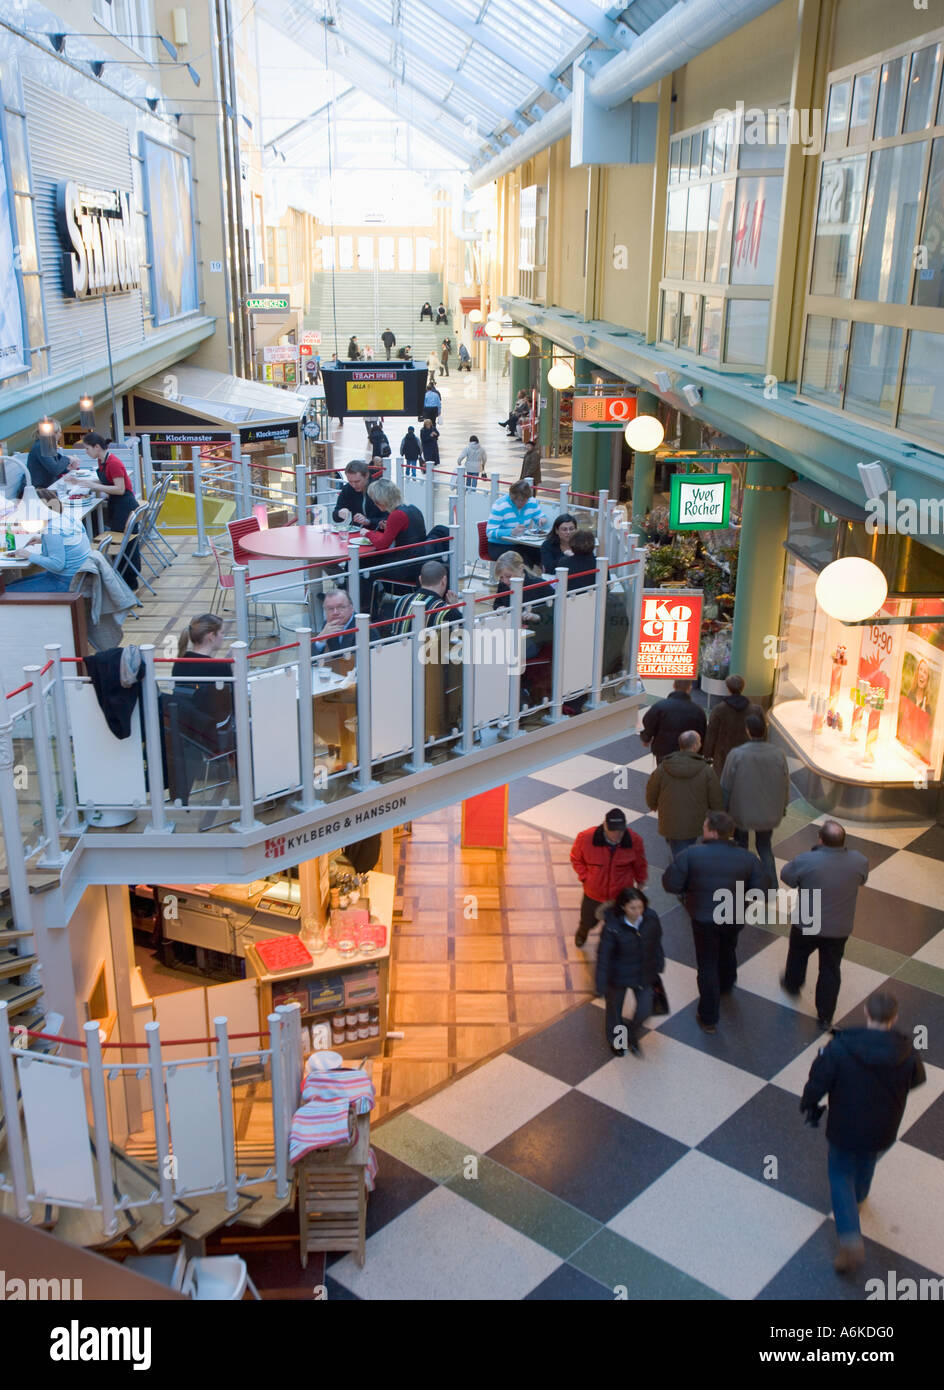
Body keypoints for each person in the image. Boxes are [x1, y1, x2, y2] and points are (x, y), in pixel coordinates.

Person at [800, 992, 925, 1274]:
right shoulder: (907, 1052)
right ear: (894, 1018)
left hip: (845, 1125)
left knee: (840, 1172)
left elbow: (818, 1081)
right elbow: (917, 1080)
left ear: (867, 1014)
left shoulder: (840, 1047)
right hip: (883, 1126)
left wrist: (808, 1103)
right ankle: (860, 1198)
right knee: (868, 1160)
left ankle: (850, 1239)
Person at [662, 810, 766, 1033]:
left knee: (707, 963)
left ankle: (709, 1017)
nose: (702, 829)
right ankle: (727, 984)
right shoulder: (748, 858)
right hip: (733, 915)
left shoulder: (691, 854)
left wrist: (688, 891)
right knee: (728, 949)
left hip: (703, 917)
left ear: (713, 831)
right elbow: (759, 892)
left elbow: (671, 884)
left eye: (705, 826)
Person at [780, 821, 870, 1028]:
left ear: (820, 839)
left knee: (797, 954)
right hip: (839, 927)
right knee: (830, 969)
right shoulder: (859, 861)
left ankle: (793, 985)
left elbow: (787, 876)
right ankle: (825, 1015)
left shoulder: (807, 860)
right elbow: (862, 880)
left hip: (807, 923)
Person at [720, 712, 791, 888]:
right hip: (769, 812)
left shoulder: (736, 754)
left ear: (747, 731)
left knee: (741, 846)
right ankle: (772, 886)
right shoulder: (778, 754)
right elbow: (785, 784)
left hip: (741, 812)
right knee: (764, 847)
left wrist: (724, 810)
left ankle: (741, 884)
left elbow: (725, 786)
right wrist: (782, 808)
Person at [596, 887, 665, 1056]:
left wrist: (659, 961)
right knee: (614, 1010)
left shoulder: (651, 918)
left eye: (640, 907)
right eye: (633, 908)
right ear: (623, 907)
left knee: (645, 1009)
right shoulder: (612, 927)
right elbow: (604, 956)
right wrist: (601, 983)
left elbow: (656, 941)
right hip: (617, 975)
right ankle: (617, 1040)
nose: (638, 912)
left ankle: (630, 1032)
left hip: (644, 972)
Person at [570, 807, 648, 949]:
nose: (617, 835)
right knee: (588, 920)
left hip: (620, 894)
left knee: (617, 924)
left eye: (620, 830)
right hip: (593, 892)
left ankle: (611, 945)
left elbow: (640, 863)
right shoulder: (586, 838)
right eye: (613, 830)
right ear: (605, 825)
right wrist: (585, 877)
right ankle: (583, 932)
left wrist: (641, 881)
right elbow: (576, 858)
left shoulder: (635, 840)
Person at [645, 729, 723, 857]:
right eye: (699, 741)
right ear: (695, 746)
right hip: (694, 822)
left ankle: (678, 865)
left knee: (677, 848)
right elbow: (715, 798)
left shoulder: (663, 767)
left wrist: (653, 805)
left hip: (669, 819)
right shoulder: (706, 770)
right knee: (685, 849)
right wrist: (717, 816)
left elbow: (651, 791)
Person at [5, 489, 92, 591]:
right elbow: (68, 540)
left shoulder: (51, 529)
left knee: (7, 591)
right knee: (13, 584)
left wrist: (28, 555)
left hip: (66, 582)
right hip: (79, 577)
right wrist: (42, 540)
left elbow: (57, 565)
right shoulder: (67, 518)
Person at [703, 673, 764, 776]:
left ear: (728, 688)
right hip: (747, 757)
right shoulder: (756, 710)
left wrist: (707, 754)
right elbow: (762, 735)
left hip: (723, 758)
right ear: (743, 688)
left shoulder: (719, 710)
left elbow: (711, 734)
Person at [640, 679, 707, 764]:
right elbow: (702, 734)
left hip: (663, 751)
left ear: (674, 686)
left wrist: (646, 738)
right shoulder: (698, 711)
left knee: (664, 774)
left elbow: (648, 721)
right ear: (690, 688)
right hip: (688, 754)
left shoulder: (660, 706)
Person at [485, 480, 546, 563]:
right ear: (512, 497)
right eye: (520, 500)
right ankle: (525, 575)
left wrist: (541, 519)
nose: (523, 503)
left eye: (525, 500)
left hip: (522, 543)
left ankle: (546, 575)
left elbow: (539, 515)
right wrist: (511, 532)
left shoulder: (531, 501)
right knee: (523, 561)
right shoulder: (500, 505)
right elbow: (490, 532)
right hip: (499, 545)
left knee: (545, 554)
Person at [333, 460, 383, 530]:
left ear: (367, 476)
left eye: (357, 481)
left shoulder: (380, 489)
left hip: (377, 532)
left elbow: (389, 518)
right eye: (350, 481)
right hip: (356, 531)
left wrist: (369, 521)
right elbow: (335, 516)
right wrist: (339, 513)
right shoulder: (348, 488)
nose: (353, 485)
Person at [24, 419, 70, 492]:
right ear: (52, 433)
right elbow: (55, 470)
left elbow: (55, 468)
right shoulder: (41, 447)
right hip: (38, 491)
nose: (60, 435)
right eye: (59, 432)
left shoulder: (45, 445)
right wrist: (68, 459)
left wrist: (68, 468)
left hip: (46, 487)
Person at [314, 587, 356, 654]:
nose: (335, 612)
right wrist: (320, 640)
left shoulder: (365, 629)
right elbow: (311, 659)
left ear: (351, 608)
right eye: (330, 608)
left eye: (341, 607)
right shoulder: (328, 625)